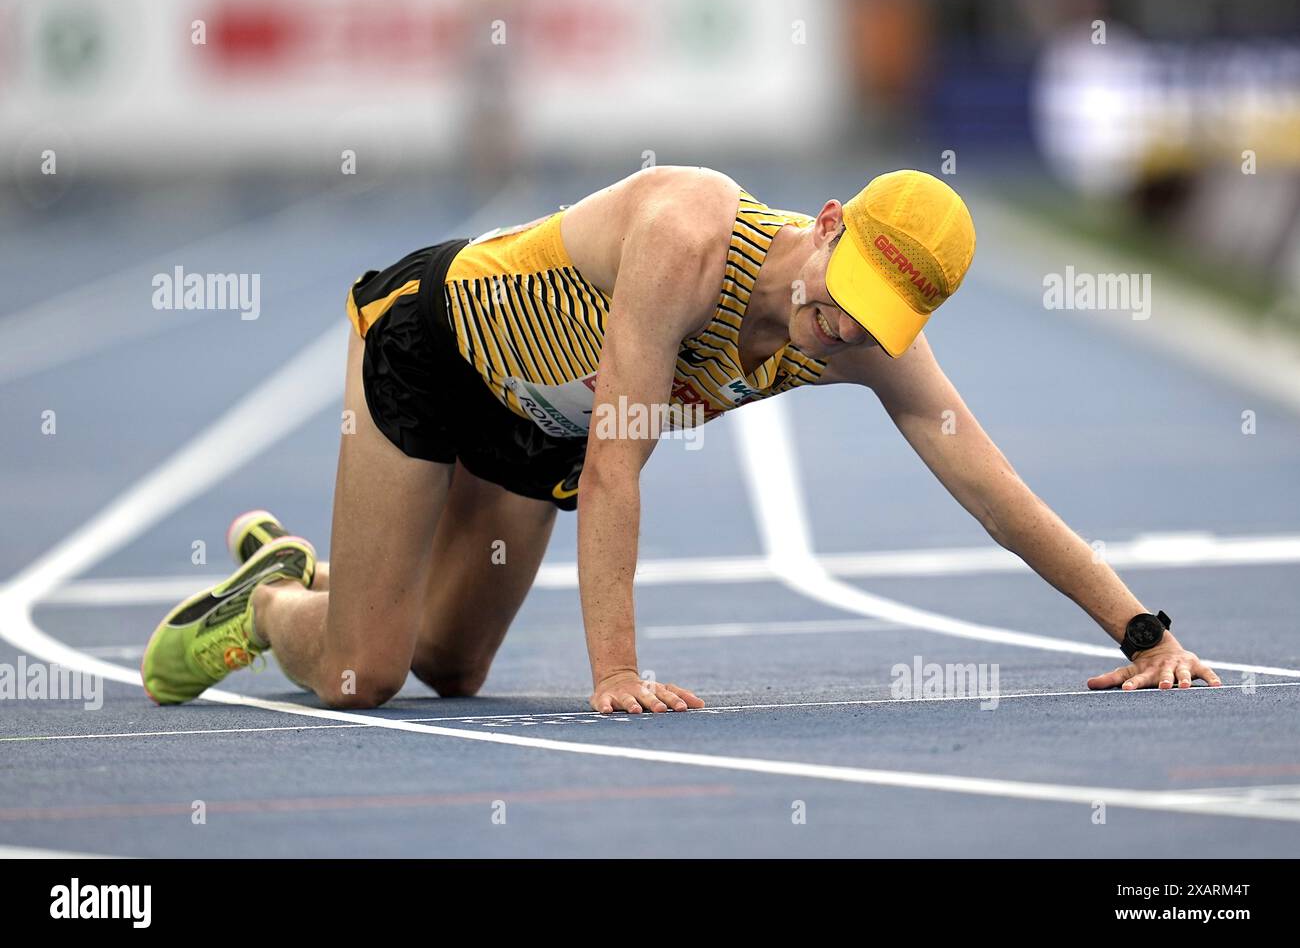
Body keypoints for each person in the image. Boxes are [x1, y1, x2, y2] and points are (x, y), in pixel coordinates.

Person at [141, 166, 1222, 713]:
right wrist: (615, 668)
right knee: (362, 675)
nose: (838, 328)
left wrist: (1142, 632)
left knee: (451, 664)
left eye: (872, 324)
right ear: (831, 221)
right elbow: (615, 457)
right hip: (434, 351)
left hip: (532, 428)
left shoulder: (853, 338)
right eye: (841, 295)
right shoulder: (687, 233)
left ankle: (346, 575)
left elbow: (993, 489)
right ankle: (276, 599)